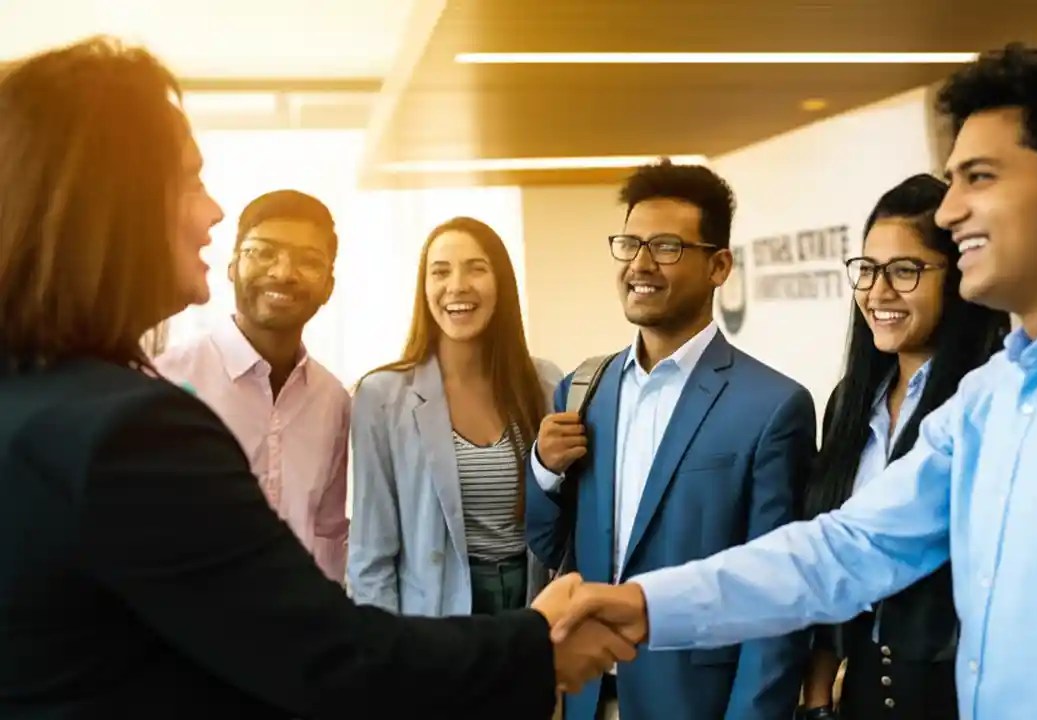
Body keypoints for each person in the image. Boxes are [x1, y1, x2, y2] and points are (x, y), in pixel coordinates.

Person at [552, 40, 1037, 720]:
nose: (952, 208)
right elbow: (844, 550)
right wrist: (643, 604)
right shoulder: (996, 396)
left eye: (980, 178)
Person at [0, 37, 633, 719]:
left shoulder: (33, 398)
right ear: (107, 201)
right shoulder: (132, 429)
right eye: (188, 181)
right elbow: (327, 653)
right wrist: (534, 648)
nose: (212, 211)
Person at [527, 160, 813, 720]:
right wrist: (543, 468)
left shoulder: (773, 406)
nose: (640, 264)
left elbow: (778, 596)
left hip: (695, 702)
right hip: (588, 696)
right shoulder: (585, 389)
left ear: (719, 265)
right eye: (629, 243)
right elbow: (547, 543)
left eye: (666, 247)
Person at [800, 175, 1008, 720]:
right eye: (867, 270)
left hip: (960, 694)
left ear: (958, 275)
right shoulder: (851, 402)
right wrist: (818, 699)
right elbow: (833, 554)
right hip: (863, 691)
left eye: (905, 271)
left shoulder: (988, 401)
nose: (878, 291)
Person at [348, 216, 562, 617]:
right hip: (432, 622)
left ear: (501, 283)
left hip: (531, 612)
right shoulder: (381, 396)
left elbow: (564, 523)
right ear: (424, 288)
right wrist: (380, 655)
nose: (457, 285)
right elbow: (370, 554)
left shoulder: (547, 384)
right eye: (440, 272)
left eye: (476, 269)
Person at [156, 190, 350, 583]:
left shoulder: (334, 400)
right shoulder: (168, 381)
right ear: (231, 267)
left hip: (299, 627)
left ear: (329, 285)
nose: (283, 273)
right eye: (263, 252)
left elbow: (329, 533)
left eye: (308, 262)